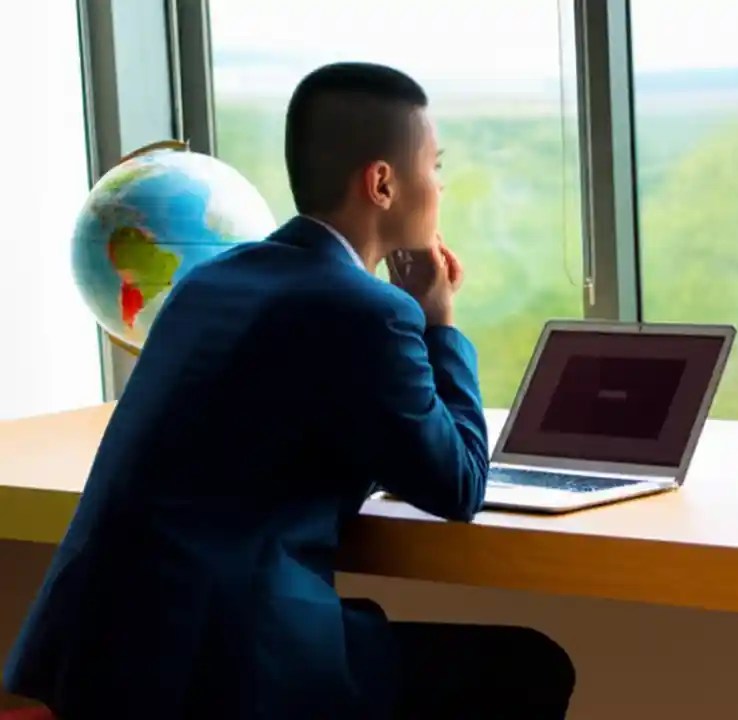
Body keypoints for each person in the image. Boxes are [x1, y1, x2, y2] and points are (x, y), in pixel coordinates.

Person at [3, 62, 575, 719]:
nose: (440, 187)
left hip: (97, 662)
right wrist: (439, 322)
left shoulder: (208, 283)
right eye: (434, 166)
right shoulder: (366, 311)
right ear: (383, 182)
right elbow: (460, 485)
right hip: (225, 674)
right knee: (528, 668)